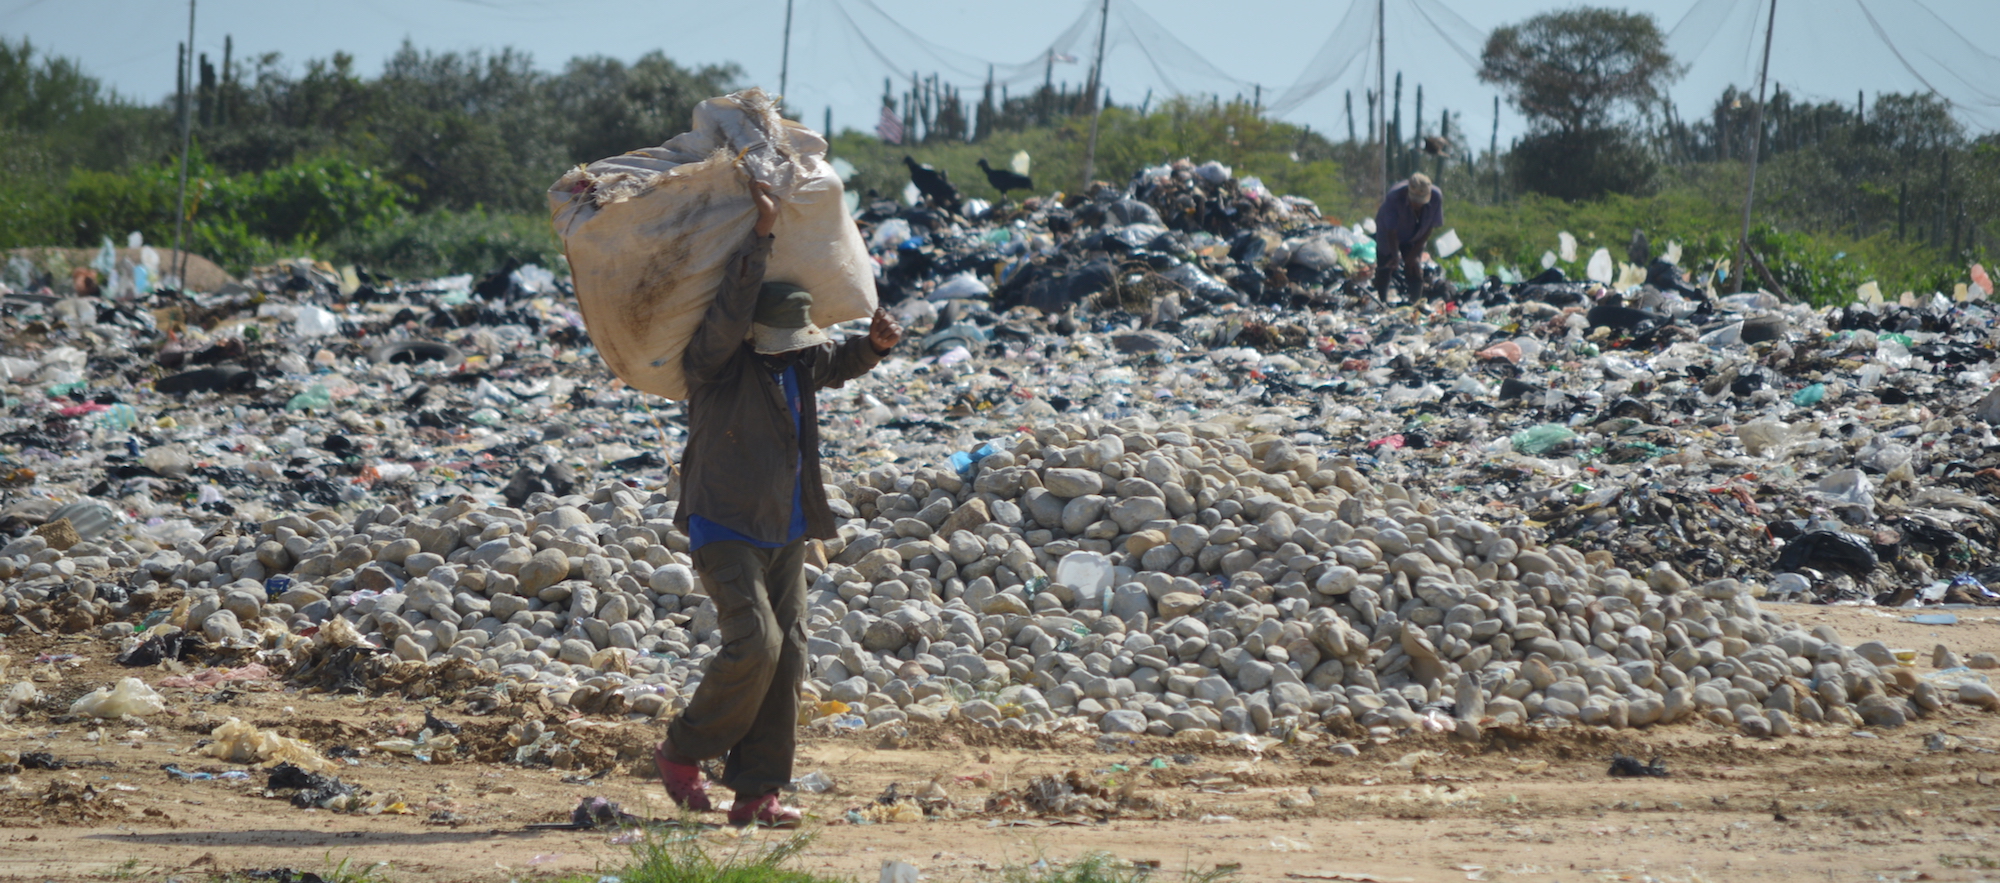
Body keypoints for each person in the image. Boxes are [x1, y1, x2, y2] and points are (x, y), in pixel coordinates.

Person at [654, 183, 902, 828]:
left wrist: (873, 349)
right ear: (749, 334)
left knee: (788, 655)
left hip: (787, 529)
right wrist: (761, 235)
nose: (795, 345)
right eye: (782, 335)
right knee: (755, 644)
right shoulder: (715, 366)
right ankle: (682, 753)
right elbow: (730, 310)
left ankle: (756, 793)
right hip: (724, 523)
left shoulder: (797, 359)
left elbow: (835, 360)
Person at [1373, 172, 1444, 299]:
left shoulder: (1436, 197)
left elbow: (1429, 228)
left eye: (1421, 201)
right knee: (1385, 265)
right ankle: (1382, 302)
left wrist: (1412, 255)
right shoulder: (1394, 197)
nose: (1418, 205)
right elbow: (1391, 231)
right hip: (1388, 233)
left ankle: (1415, 303)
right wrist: (1395, 256)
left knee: (1414, 267)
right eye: (1415, 201)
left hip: (1416, 233)